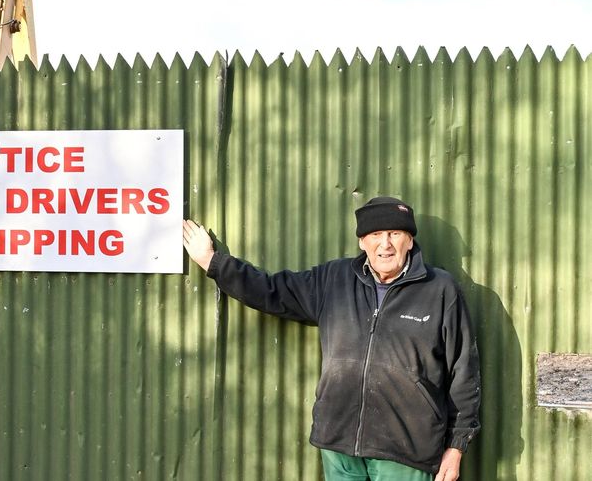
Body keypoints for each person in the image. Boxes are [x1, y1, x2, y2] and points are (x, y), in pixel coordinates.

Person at [182, 196, 480, 481]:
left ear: (410, 240)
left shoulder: (439, 289)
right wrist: (212, 262)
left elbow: (463, 370)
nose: (385, 244)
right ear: (363, 242)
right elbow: (272, 291)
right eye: (376, 234)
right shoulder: (334, 280)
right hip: (338, 442)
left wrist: (456, 446)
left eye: (395, 233)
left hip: (406, 449)